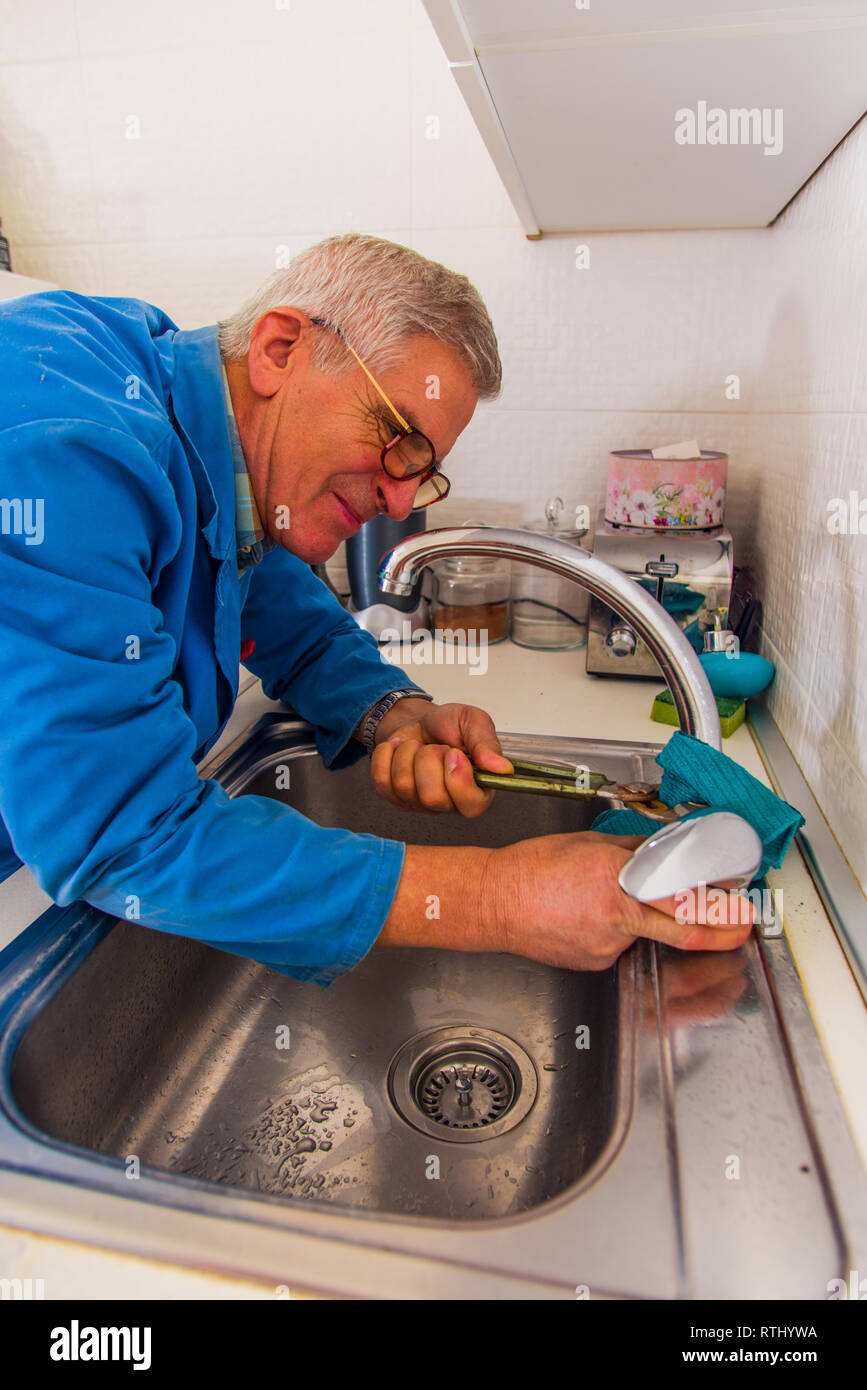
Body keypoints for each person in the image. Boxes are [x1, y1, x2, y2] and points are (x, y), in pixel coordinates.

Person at [0, 233, 751, 984]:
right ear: (281, 347)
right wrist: (498, 898)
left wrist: (392, 712)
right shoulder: (66, 447)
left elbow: (288, 623)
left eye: (423, 472)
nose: (398, 498)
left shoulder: (202, 428)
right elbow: (123, 833)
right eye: (398, 439)